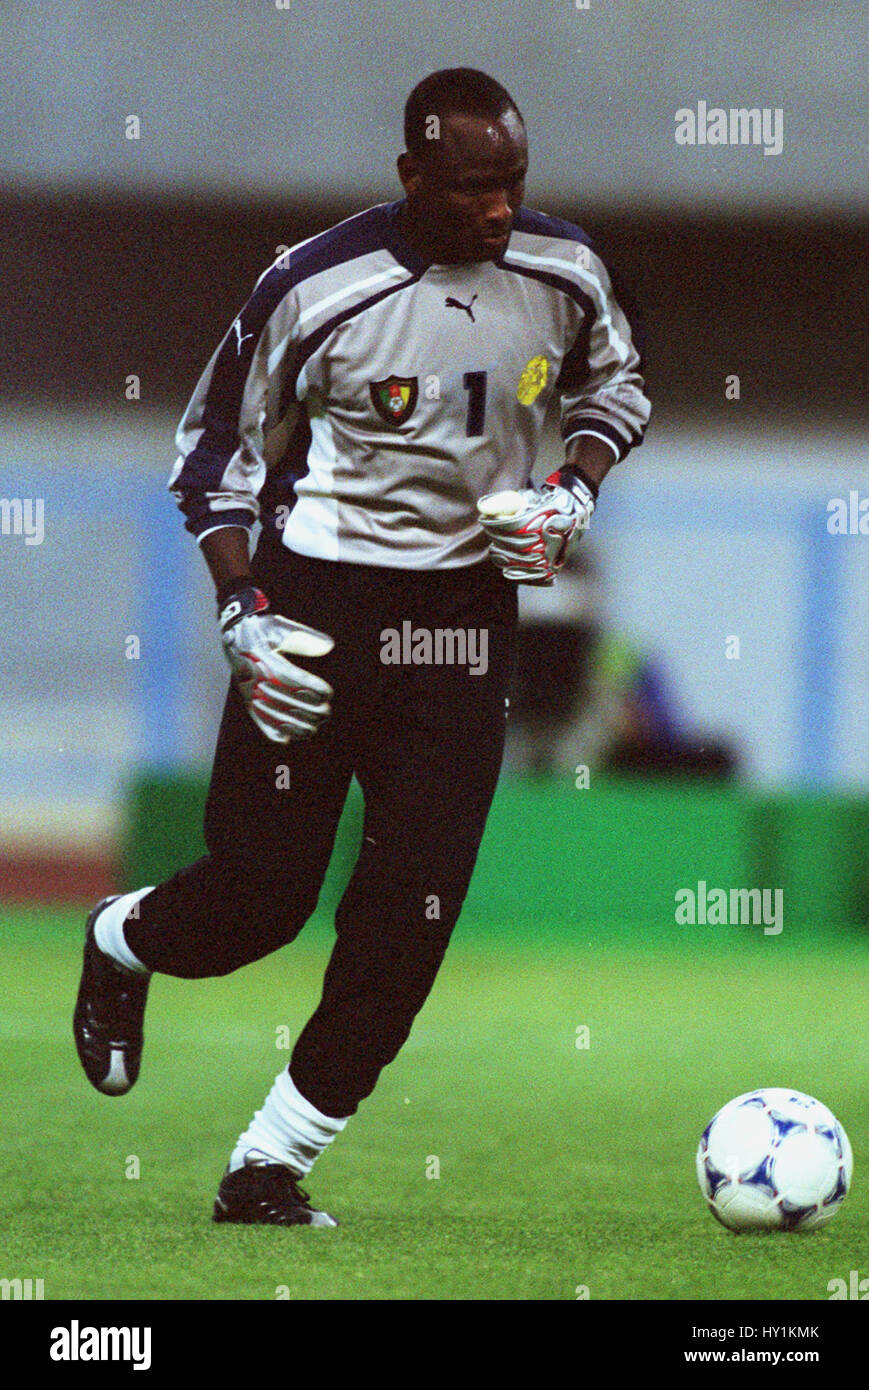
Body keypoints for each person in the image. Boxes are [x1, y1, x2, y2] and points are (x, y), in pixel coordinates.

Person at [73, 68, 650, 1227]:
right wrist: (242, 610)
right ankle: (119, 939)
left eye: (512, 185)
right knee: (257, 902)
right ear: (409, 177)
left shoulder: (565, 272)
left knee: (414, 909)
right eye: (469, 188)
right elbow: (212, 460)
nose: (496, 210)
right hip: (315, 611)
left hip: (464, 618)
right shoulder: (310, 287)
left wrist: (573, 492)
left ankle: (269, 1162)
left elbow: (618, 388)